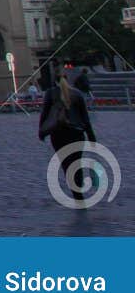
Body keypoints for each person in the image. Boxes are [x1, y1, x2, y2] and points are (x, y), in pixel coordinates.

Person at [39, 62, 98, 203]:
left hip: (58, 135)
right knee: (76, 161)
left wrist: (41, 132)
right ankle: (79, 185)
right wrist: (91, 137)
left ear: (54, 80)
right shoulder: (77, 94)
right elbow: (85, 118)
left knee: (66, 164)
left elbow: (45, 115)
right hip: (77, 134)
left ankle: (76, 193)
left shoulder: (50, 94)